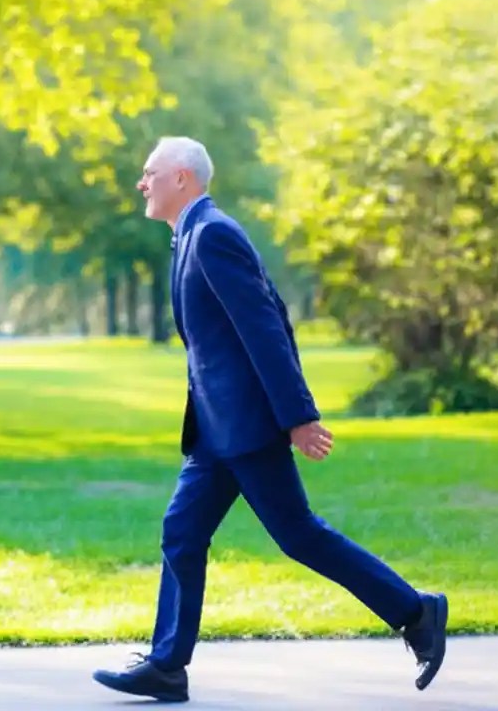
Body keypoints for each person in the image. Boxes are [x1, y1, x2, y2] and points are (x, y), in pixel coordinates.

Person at [91, 137, 448, 703]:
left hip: (248, 425)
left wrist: (298, 416)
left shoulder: (213, 235)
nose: (142, 182)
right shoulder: (190, 235)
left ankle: (416, 612)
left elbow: (266, 326)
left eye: (150, 173)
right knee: (181, 533)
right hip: (216, 430)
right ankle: (166, 665)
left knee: (298, 535)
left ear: (181, 177)